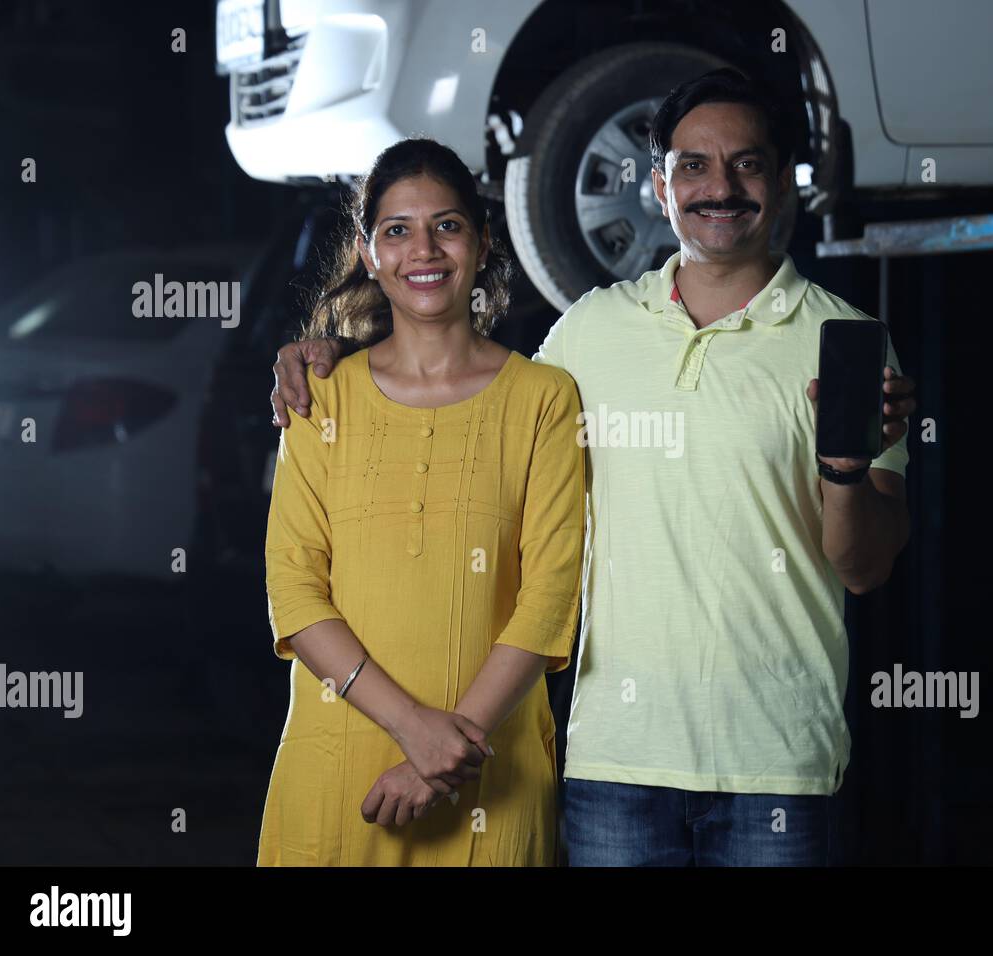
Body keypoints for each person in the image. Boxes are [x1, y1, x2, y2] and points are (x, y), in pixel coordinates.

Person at [271, 69, 917, 866]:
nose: (720, 187)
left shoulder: (846, 342)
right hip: (615, 758)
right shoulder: (592, 330)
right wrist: (335, 352)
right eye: (694, 166)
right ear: (659, 185)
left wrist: (846, 472)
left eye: (747, 164)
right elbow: (459, 386)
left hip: (777, 762)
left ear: (784, 181)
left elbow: (864, 569)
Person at [259, 137, 586, 866]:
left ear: (482, 240)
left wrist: (448, 742)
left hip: (490, 771)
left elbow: (552, 592)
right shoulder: (319, 399)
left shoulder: (545, 398)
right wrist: (414, 729)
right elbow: (294, 589)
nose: (423, 250)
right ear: (370, 254)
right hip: (336, 770)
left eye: (447, 224)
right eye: (396, 231)